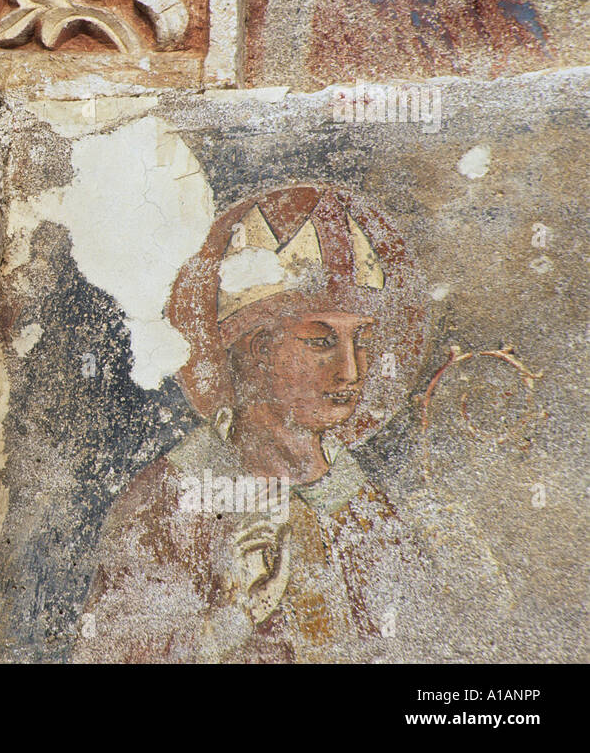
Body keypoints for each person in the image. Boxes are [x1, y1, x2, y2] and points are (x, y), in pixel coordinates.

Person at [75, 186, 441, 662]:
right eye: (320, 341)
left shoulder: (371, 514)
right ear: (258, 349)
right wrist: (231, 622)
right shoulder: (166, 503)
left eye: (361, 341)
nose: (350, 371)